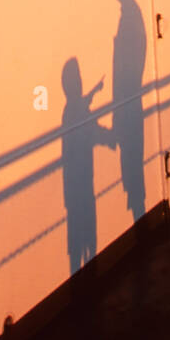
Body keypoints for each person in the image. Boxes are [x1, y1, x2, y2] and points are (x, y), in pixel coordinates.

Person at [60, 59, 113, 274]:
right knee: (87, 235)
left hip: (72, 188)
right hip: (81, 186)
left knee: (76, 237)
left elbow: (83, 105)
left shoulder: (70, 108)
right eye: (78, 77)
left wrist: (95, 91)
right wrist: (111, 138)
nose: (81, 81)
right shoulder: (75, 111)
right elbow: (91, 129)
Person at [112, 0, 147, 221]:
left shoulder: (131, 16)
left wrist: (122, 108)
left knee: (133, 165)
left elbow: (131, 65)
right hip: (128, 104)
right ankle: (139, 215)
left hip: (130, 104)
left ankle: (140, 219)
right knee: (132, 165)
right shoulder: (129, 14)